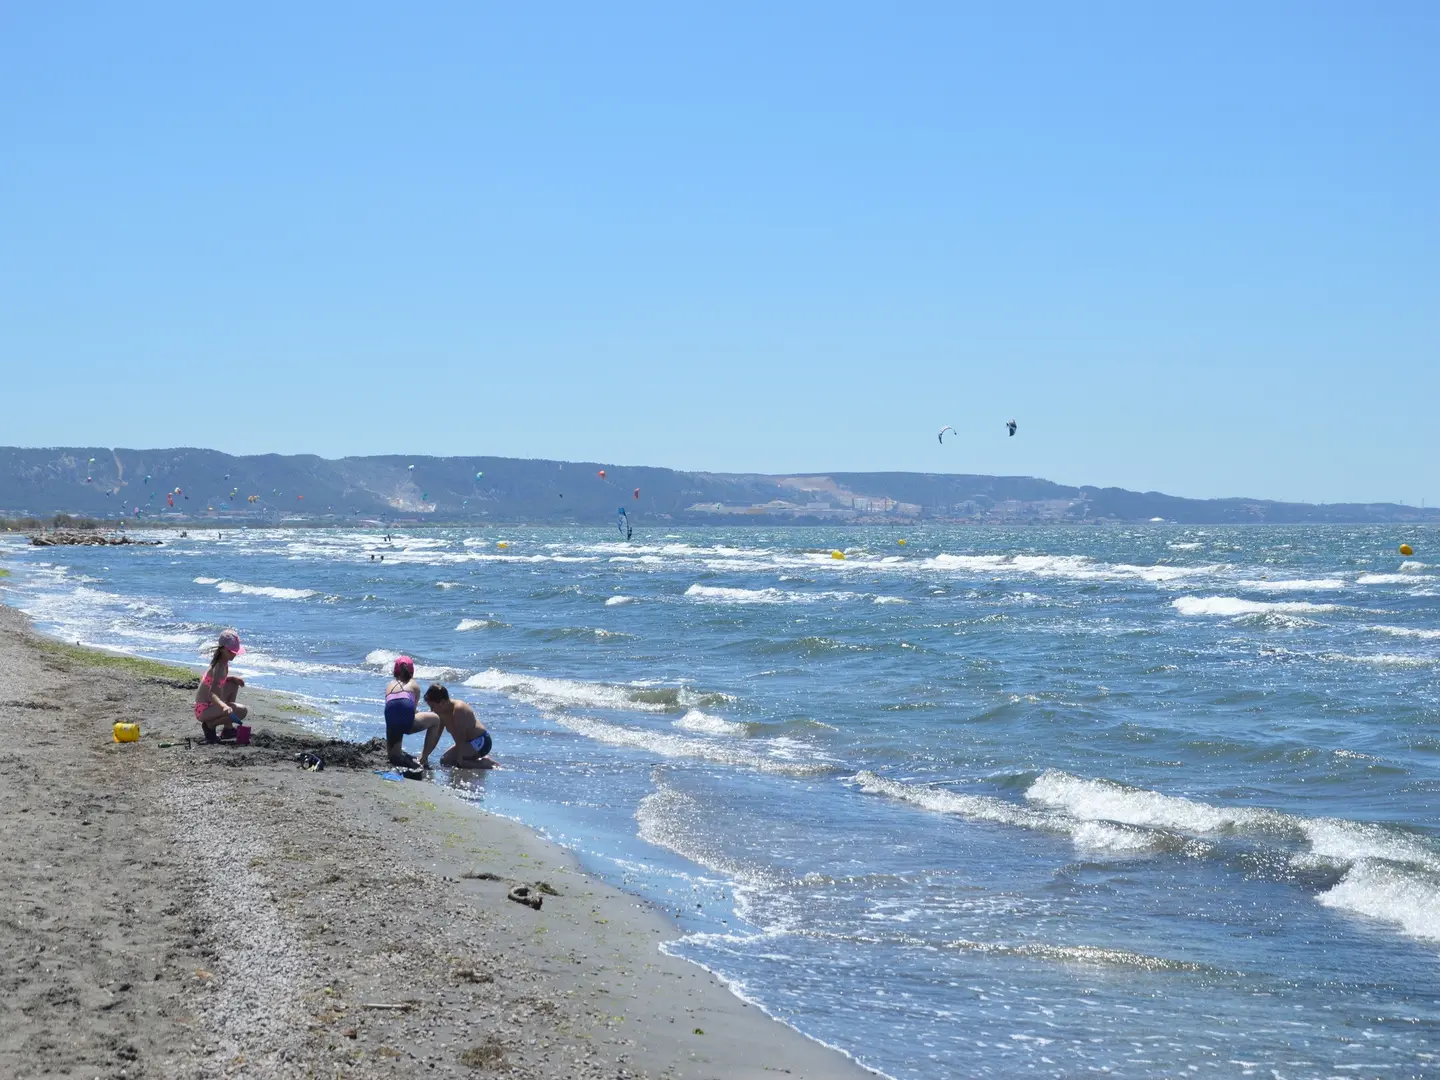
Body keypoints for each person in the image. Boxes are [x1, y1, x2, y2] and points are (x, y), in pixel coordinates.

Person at [383, 656, 444, 767]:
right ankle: (423, 758)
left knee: (394, 757)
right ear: (412, 671)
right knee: (436, 720)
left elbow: (393, 707)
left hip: (391, 724)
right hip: (406, 722)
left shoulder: (389, 685)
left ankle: (397, 753)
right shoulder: (414, 685)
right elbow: (412, 711)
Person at [423, 683, 496, 769]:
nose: (431, 710)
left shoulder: (459, 709)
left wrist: (460, 760)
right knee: (444, 761)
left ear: (442, 702)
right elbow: (435, 736)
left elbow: (461, 737)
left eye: (432, 706)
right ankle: (474, 760)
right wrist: (424, 756)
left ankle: (486, 763)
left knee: (458, 763)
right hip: (466, 743)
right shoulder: (441, 713)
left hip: (481, 741)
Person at [195, 629, 247, 743]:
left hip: (208, 705)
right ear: (222, 649)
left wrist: (232, 678)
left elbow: (216, 681)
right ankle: (210, 725)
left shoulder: (222, 662)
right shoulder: (219, 667)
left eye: (235, 651)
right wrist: (224, 707)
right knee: (242, 711)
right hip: (204, 709)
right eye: (231, 651)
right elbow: (212, 693)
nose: (234, 654)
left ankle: (228, 728)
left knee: (233, 684)